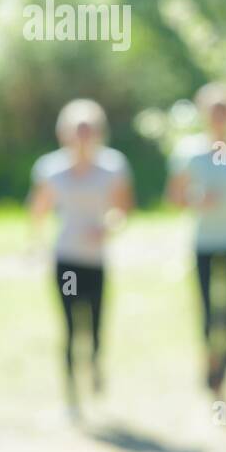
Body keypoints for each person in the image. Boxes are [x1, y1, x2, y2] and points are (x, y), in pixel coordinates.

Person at [29, 98, 134, 416]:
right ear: (65, 133)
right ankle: (72, 395)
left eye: (89, 130)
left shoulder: (113, 166)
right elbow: (39, 208)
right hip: (67, 261)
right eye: (78, 130)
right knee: (72, 327)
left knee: (97, 325)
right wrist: (35, 242)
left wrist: (109, 227)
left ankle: (96, 367)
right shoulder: (50, 168)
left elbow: (123, 208)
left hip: (96, 259)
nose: (83, 136)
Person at [166, 83, 226, 403]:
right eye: (214, 111)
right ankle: (210, 365)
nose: (221, 117)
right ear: (204, 115)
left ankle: (224, 375)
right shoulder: (189, 153)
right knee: (209, 311)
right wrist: (198, 199)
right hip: (205, 243)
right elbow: (174, 198)